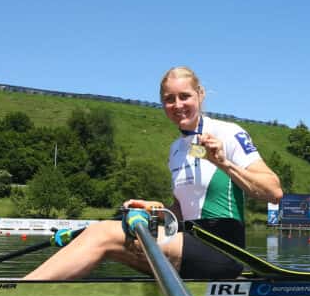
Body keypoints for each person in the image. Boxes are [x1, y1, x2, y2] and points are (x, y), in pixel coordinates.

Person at [24, 66, 282, 280]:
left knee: (103, 233)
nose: (177, 105)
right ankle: (41, 294)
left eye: (184, 96)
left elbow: (274, 192)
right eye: (169, 99)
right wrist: (157, 210)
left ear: (200, 95)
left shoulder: (229, 133)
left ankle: (23, 291)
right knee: (106, 233)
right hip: (189, 242)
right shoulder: (176, 149)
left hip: (224, 250)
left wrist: (224, 163)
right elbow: (183, 212)